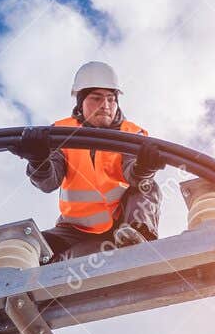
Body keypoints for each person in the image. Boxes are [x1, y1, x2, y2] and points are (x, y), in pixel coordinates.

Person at [14, 60, 164, 261]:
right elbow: (49, 182)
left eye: (111, 99)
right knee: (34, 251)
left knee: (146, 184)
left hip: (123, 225)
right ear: (81, 102)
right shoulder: (61, 133)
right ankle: (36, 270)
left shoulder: (131, 134)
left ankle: (140, 237)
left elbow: (133, 174)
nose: (106, 106)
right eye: (96, 98)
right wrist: (38, 160)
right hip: (75, 229)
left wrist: (144, 168)